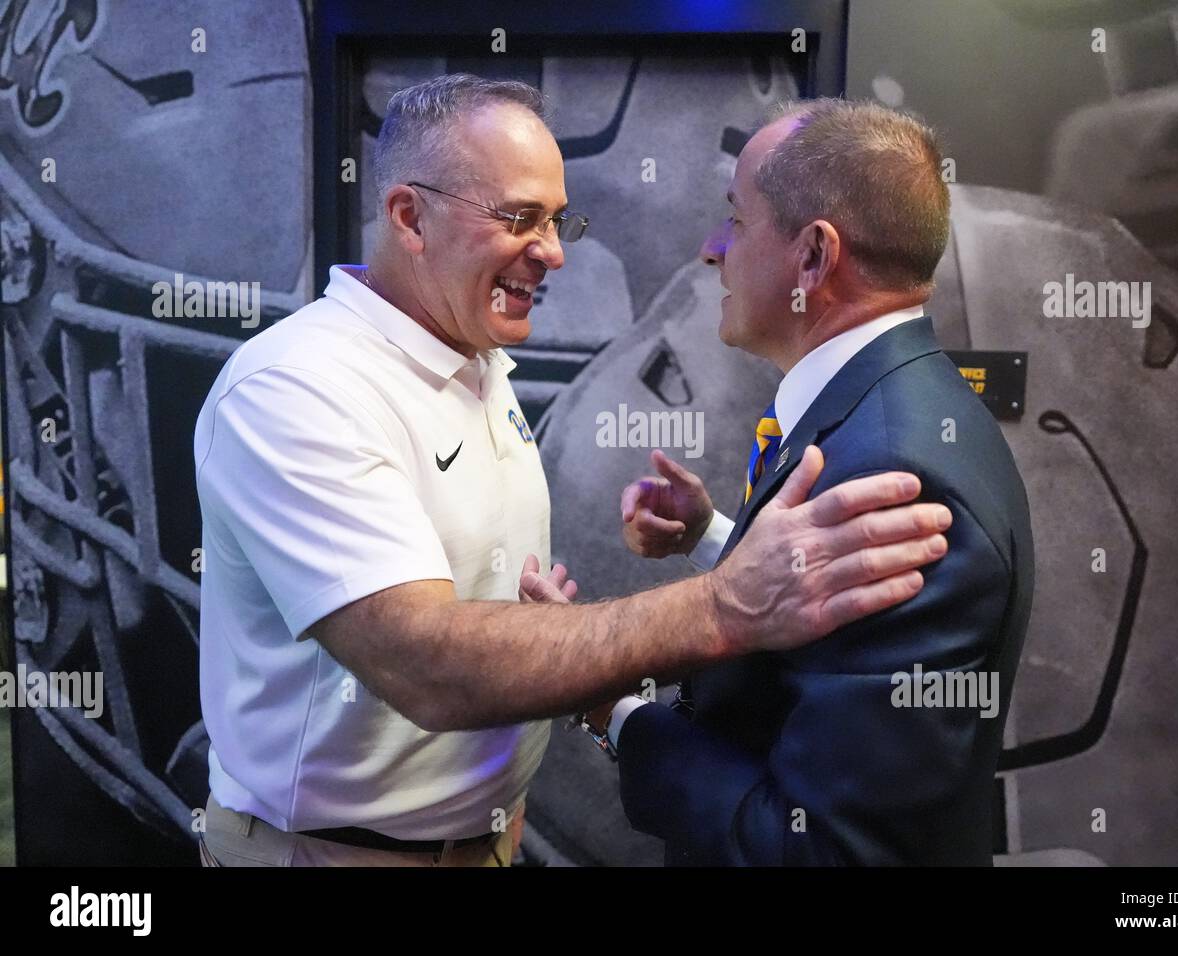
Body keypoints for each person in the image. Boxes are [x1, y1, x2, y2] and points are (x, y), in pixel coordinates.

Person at [192, 75, 951, 866]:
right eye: (520, 218)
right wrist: (725, 605)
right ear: (410, 218)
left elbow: (474, 616)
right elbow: (427, 666)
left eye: (557, 220)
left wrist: (688, 552)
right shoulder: (297, 387)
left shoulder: (474, 360)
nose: (554, 251)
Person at [578, 98, 1035, 865]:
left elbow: (819, 848)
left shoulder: (898, 479)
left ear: (815, 258)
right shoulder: (883, 409)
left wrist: (613, 712)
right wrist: (712, 538)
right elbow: (818, 636)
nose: (711, 250)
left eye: (736, 219)